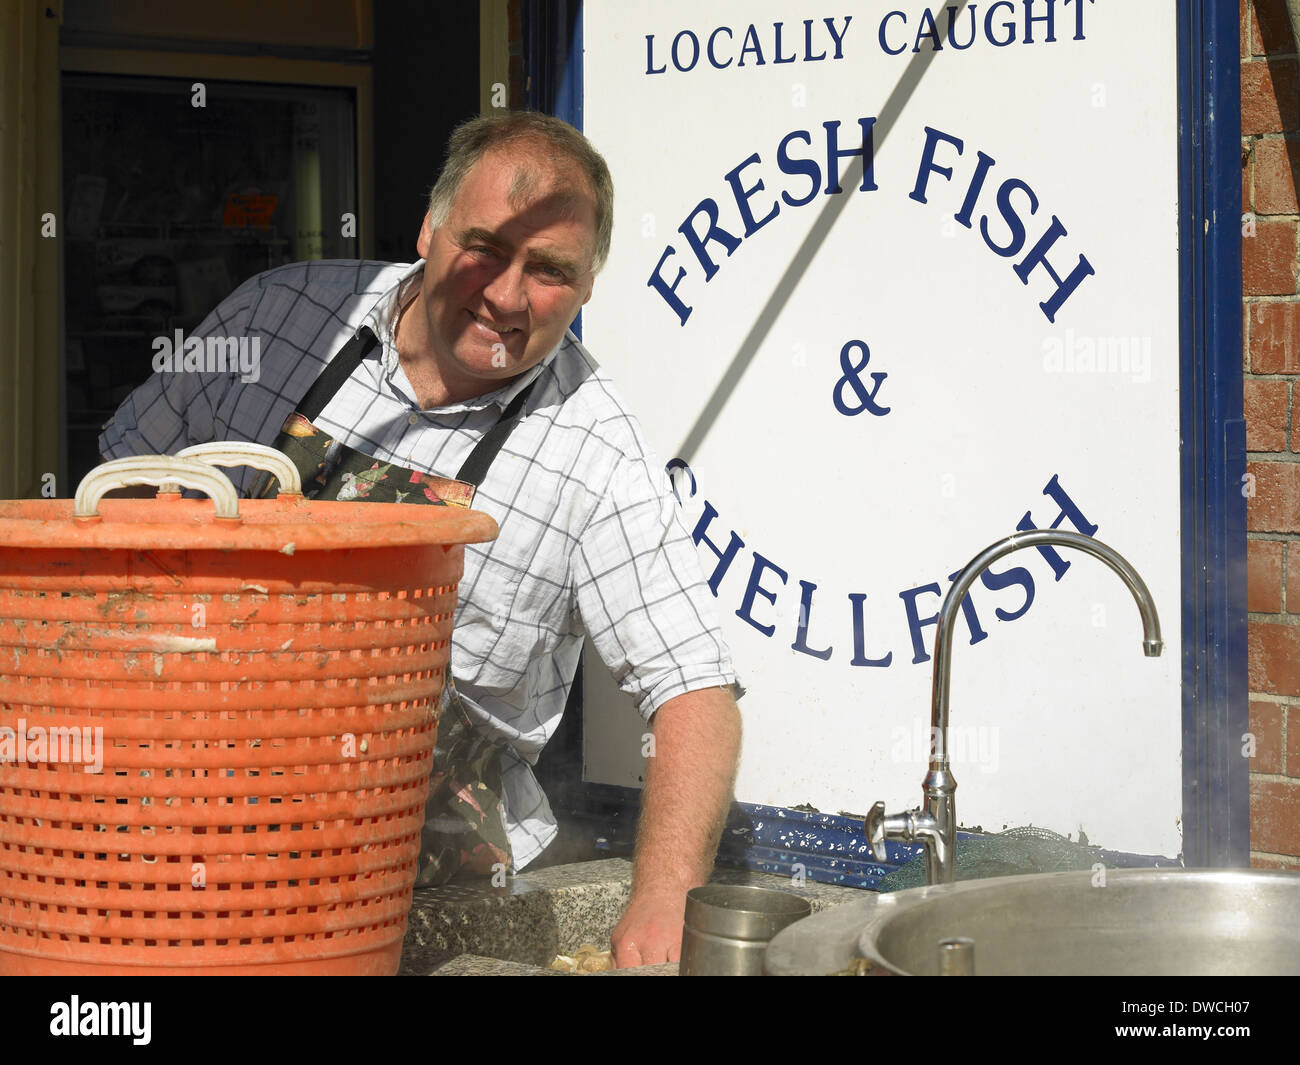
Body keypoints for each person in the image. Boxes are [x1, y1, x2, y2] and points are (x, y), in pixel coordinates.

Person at [99, 111, 743, 968]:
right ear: (429, 230)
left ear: (588, 285)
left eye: (550, 270)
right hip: (172, 814)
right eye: (485, 248)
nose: (507, 296)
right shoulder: (279, 316)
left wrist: (665, 898)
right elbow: (113, 500)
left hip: (405, 885)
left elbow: (694, 687)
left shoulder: (594, 446)